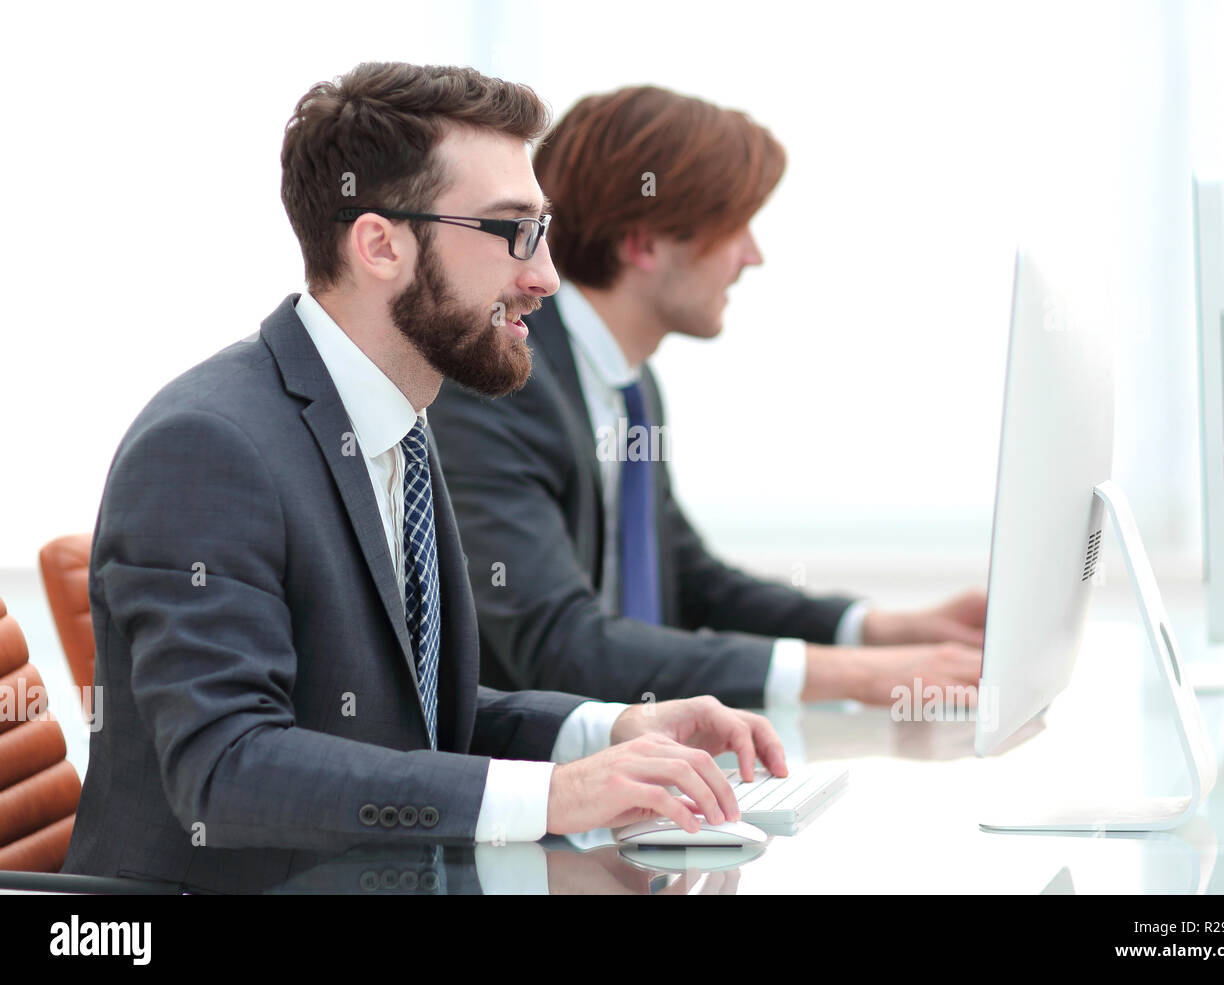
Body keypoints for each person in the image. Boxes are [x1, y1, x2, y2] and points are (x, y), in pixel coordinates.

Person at [61, 63, 784, 894]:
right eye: (513, 230)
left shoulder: (397, 419)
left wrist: (613, 728)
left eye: (542, 229)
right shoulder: (208, 446)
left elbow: (410, 716)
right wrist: (555, 793)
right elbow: (229, 768)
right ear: (381, 245)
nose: (546, 273)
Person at [427, 85, 986, 710]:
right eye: (734, 227)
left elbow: (691, 581)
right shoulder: (502, 380)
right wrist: (851, 677)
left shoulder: (628, 385)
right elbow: (560, 645)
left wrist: (881, 632)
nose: (753, 255)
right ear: (645, 243)